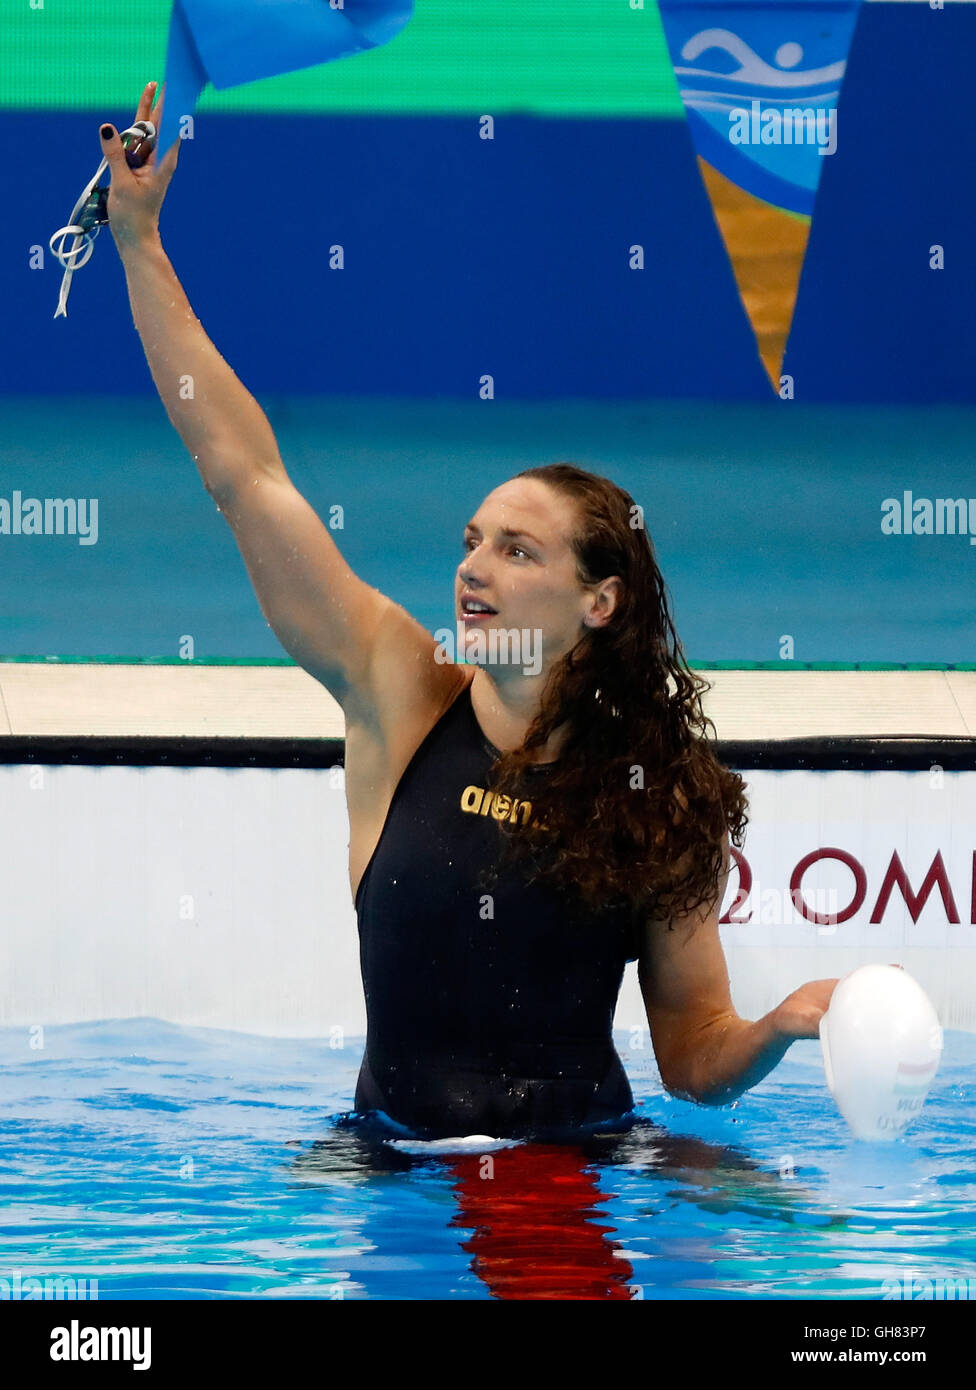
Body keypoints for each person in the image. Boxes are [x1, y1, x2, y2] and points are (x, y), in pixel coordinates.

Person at [99, 82, 839, 1139]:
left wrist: (777, 1027)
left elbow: (691, 1053)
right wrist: (139, 246)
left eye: (516, 548)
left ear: (600, 599)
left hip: (572, 1180)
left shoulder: (657, 795)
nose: (473, 569)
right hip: (391, 1170)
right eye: (470, 543)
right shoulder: (396, 692)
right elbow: (245, 473)